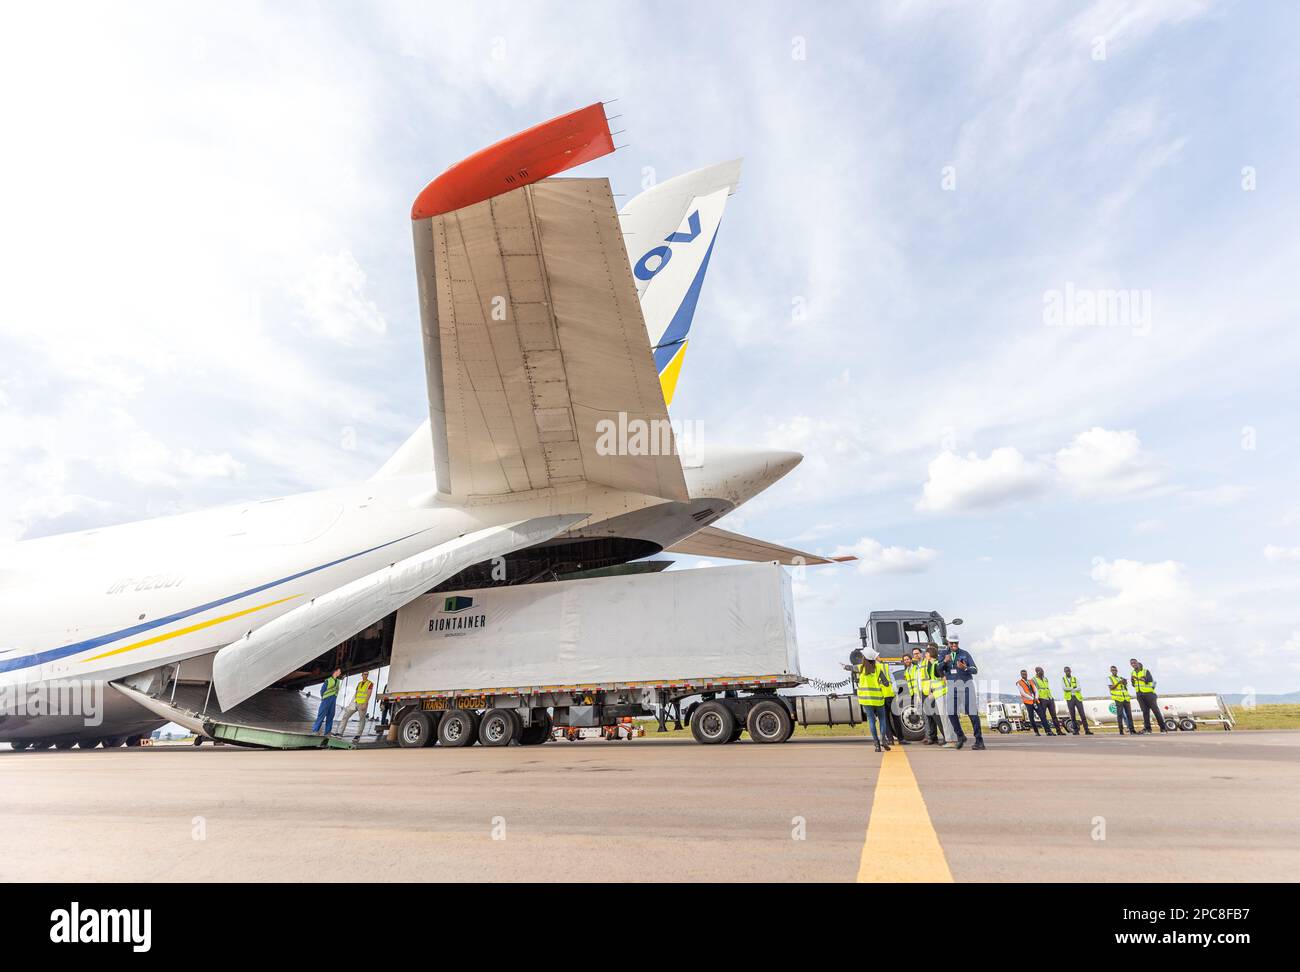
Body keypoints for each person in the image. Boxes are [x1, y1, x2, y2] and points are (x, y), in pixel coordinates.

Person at [935, 635, 984, 750]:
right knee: (951, 713)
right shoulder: (943, 654)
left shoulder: (965, 654)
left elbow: (975, 670)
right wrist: (944, 662)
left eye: (956, 643)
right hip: (952, 687)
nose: (954, 645)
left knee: (972, 713)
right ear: (948, 643)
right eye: (952, 643)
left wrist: (965, 667)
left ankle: (979, 740)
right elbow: (938, 670)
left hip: (967, 686)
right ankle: (960, 736)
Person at [855, 651, 891, 752]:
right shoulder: (879, 668)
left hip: (866, 699)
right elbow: (886, 684)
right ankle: (883, 739)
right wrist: (882, 682)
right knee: (882, 719)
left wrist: (843, 666)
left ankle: (876, 745)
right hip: (878, 699)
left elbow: (848, 668)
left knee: (871, 720)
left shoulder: (860, 668)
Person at [334, 670, 375, 741]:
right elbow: (356, 693)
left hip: (362, 704)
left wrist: (365, 703)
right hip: (355, 703)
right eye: (364, 674)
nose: (366, 675)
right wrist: (351, 703)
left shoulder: (370, 683)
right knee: (345, 716)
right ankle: (340, 733)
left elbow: (369, 693)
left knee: (361, 719)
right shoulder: (359, 683)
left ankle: (358, 735)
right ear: (362, 675)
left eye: (367, 674)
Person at [1129, 658, 1167, 733]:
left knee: (1155, 711)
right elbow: (1134, 684)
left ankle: (1163, 728)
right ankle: (1148, 729)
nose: (1133, 664)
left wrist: (1139, 679)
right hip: (1139, 694)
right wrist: (1133, 681)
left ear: (1137, 662)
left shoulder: (1145, 671)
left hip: (1149, 694)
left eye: (1134, 663)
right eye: (1132, 663)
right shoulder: (1132, 673)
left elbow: (1149, 680)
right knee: (1145, 712)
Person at [924, 644, 951, 745]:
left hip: (942, 694)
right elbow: (933, 680)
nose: (925, 655)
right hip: (937, 694)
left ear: (929, 654)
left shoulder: (936, 665)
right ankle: (948, 738)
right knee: (942, 717)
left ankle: (949, 739)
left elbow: (944, 678)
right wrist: (931, 693)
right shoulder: (931, 665)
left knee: (945, 717)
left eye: (926, 653)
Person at [1033, 666, 1066, 736]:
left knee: (1054, 715)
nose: (1042, 672)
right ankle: (1048, 731)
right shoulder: (1034, 679)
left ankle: (1058, 731)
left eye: (1043, 671)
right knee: (1043, 716)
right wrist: (1036, 698)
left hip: (1049, 698)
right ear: (1037, 672)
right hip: (1042, 699)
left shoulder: (1045, 678)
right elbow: (1034, 690)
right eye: (1040, 671)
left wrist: (1051, 698)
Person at [1062, 666, 1093, 735]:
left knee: (1082, 715)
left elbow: (1079, 688)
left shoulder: (1075, 678)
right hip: (1069, 699)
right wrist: (1073, 687)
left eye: (1068, 670)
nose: (1067, 672)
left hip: (1077, 698)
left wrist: (1070, 688)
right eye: (1066, 671)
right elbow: (1064, 688)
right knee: (1072, 715)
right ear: (1064, 672)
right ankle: (1076, 731)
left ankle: (1087, 730)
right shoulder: (1063, 679)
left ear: (1070, 671)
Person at [1016, 669, 1047, 736]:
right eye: (1023, 674)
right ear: (1021, 675)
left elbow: (1036, 690)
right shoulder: (1019, 683)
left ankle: (1048, 731)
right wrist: (1032, 698)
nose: (1024, 675)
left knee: (1042, 716)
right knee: (1031, 717)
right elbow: (1023, 693)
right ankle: (1036, 732)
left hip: (1035, 701)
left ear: (1027, 674)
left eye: (1025, 673)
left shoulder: (1030, 681)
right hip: (1028, 702)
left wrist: (1036, 697)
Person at [312, 668, 342, 735]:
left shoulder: (338, 681)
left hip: (333, 700)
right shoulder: (328, 680)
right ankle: (315, 730)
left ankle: (327, 732)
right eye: (339, 671)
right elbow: (322, 691)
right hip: (326, 699)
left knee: (331, 715)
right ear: (335, 671)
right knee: (321, 715)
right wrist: (324, 698)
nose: (340, 672)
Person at [1108, 665, 1136, 735]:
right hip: (1118, 699)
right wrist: (1118, 683)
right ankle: (1121, 730)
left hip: (1126, 698)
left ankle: (1132, 730)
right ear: (1111, 671)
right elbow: (1111, 688)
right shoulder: (1109, 678)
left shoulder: (1120, 678)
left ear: (1117, 671)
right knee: (1120, 715)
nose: (1114, 671)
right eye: (1113, 670)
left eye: (1115, 670)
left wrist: (1125, 682)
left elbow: (1125, 687)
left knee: (1129, 715)